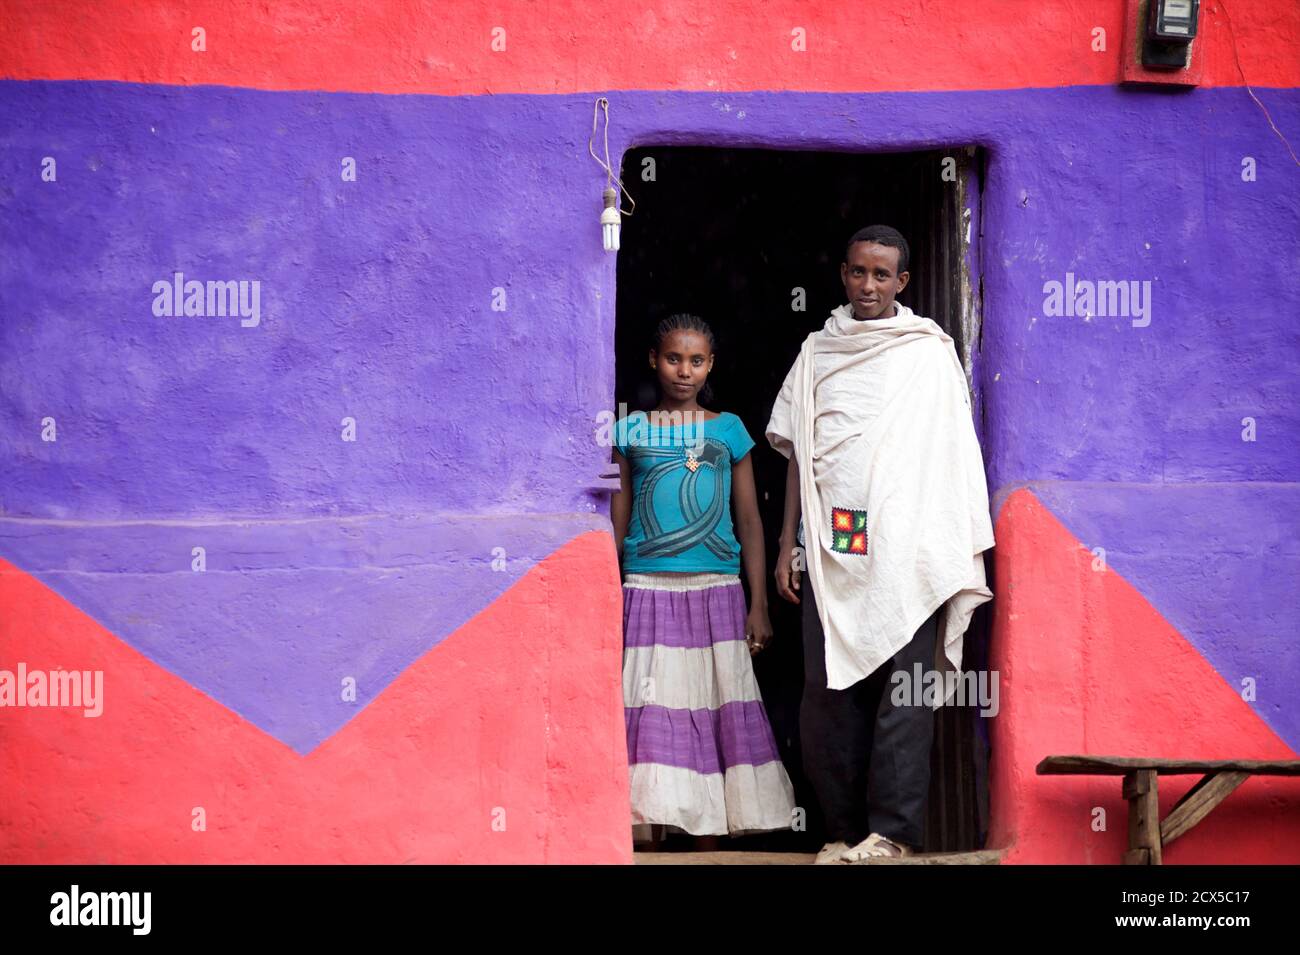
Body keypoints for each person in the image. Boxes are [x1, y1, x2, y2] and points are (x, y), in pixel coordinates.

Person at [766, 225, 994, 864]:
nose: (869, 285)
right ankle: (840, 832)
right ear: (843, 274)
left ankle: (893, 833)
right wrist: (789, 542)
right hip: (837, 536)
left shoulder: (927, 351)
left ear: (903, 282)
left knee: (906, 687)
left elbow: (950, 451)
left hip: (910, 540)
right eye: (858, 272)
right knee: (828, 689)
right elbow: (799, 452)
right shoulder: (817, 351)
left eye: (881, 275)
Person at [611, 313, 796, 847]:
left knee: (714, 708)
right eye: (673, 359)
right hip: (646, 588)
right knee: (649, 711)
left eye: (696, 361)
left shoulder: (728, 430)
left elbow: (750, 521)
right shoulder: (631, 431)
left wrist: (758, 604)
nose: (684, 371)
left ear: (710, 364)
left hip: (717, 590)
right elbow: (617, 525)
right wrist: (611, 591)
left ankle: (707, 845)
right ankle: (643, 841)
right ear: (653, 359)